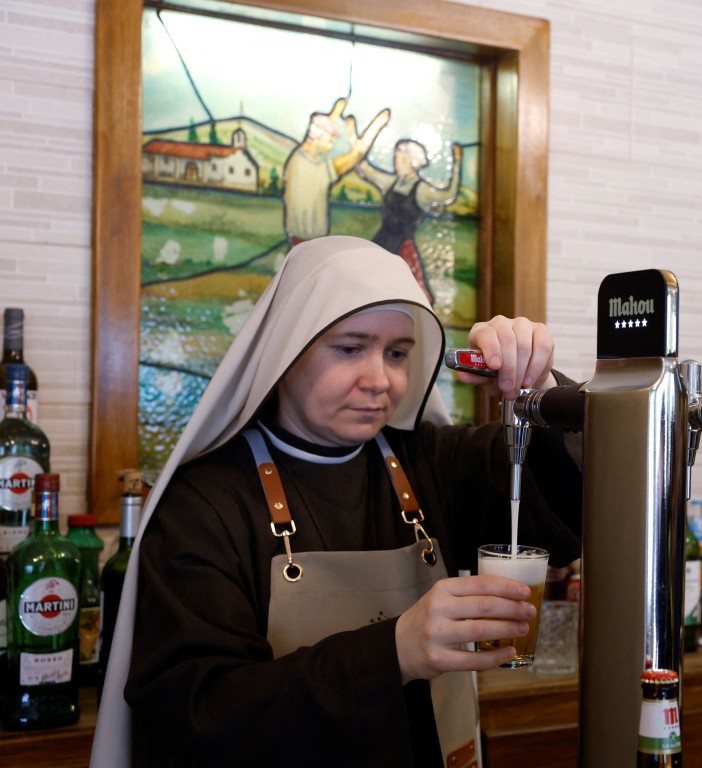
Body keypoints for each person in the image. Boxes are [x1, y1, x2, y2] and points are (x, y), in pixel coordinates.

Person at [91, 236, 582, 768]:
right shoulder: (204, 503)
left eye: (397, 353)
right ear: (286, 351)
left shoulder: (428, 462)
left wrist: (540, 389)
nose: (379, 381)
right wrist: (393, 651)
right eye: (350, 348)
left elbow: (564, 500)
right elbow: (199, 713)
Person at [357, 140, 463, 303]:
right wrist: (357, 144)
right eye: (396, 157)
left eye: (401, 159)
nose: (396, 162)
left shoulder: (422, 190)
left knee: (399, 294)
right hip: (381, 242)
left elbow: (448, 195)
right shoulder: (392, 182)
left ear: (412, 163)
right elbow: (366, 169)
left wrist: (457, 162)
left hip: (402, 248)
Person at [283, 98, 391, 246]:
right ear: (318, 139)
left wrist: (335, 114)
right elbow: (355, 155)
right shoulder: (313, 167)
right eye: (330, 140)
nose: (331, 145)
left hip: (303, 241)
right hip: (309, 243)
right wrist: (377, 125)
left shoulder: (300, 156)